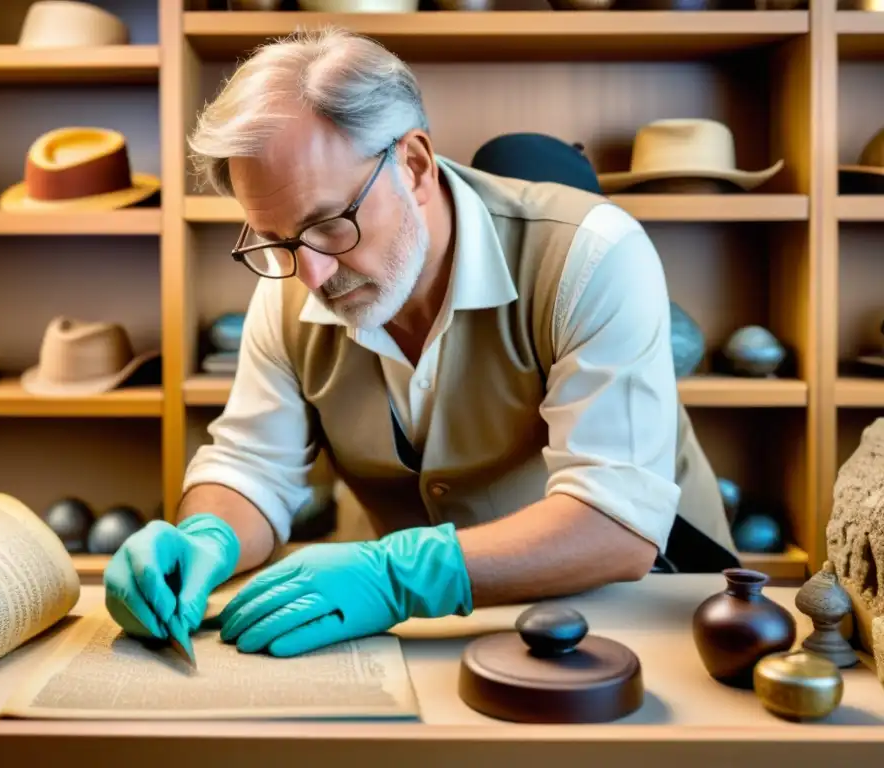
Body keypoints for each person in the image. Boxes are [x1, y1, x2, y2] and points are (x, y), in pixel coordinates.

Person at [103, 27, 739, 659]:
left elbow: (615, 524)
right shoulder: (294, 282)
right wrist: (206, 534)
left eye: (330, 223)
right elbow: (251, 469)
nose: (312, 274)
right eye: (278, 240)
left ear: (414, 164)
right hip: (429, 633)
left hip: (645, 609)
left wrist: (395, 575)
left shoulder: (594, 252)